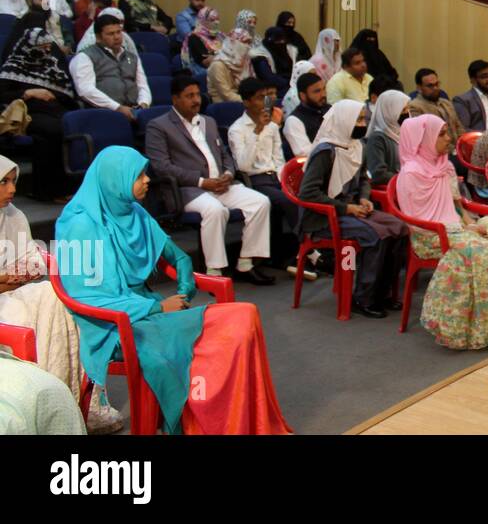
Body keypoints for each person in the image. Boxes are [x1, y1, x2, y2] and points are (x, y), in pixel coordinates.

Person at [54, 146, 291, 434]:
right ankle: (199, 424)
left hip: (147, 311)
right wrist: (157, 307)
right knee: (221, 334)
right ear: (114, 179)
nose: (147, 180)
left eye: (145, 173)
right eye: (138, 175)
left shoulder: (134, 212)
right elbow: (86, 298)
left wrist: (185, 285)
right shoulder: (80, 226)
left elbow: (178, 257)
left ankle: (239, 421)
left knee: (245, 316)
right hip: (114, 326)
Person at [396, 115, 488, 348]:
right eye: (441, 133)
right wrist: (463, 229)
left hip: (455, 227)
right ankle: (479, 327)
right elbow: (418, 221)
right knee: (487, 253)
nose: (448, 138)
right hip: (431, 236)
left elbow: (457, 206)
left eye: (446, 132)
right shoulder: (411, 173)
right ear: (423, 139)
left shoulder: (444, 165)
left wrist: (468, 222)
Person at [0, 154, 122, 432]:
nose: (12, 189)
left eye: (13, 181)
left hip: (14, 292)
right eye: (4, 182)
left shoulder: (14, 215)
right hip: (7, 298)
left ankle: (75, 401)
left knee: (57, 298)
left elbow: (33, 260)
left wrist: (9, 278)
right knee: (43, 300)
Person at [144, 75, 274, 284]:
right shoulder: (158, 126)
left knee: (260, 202)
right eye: (189, 96)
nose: (196, 100)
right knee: (215, 210)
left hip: (221, 184)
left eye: (197, 94)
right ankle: (214, 272)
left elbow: (225, 155)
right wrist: (202, 182)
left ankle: (246, 263)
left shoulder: (209, 122)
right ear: (175, 99)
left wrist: (228, 174)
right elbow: (161, 167)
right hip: (188, 190)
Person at [297, 100, 408, 318]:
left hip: (353, 208)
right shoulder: (325, 152)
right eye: (358, 120)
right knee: (376, 235)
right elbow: (308, 193)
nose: (363, 124)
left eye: (364, 119)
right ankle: (363, 297)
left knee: (400, 228)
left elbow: (364, 178)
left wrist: (365, 198)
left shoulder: (357, 146)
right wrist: (346, 208)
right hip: (324, 217)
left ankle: (381, 292)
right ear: (344, 121)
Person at [228, 78, 301, 271]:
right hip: (254, 180)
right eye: (260, 98)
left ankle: (299, 252)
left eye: (267, 97)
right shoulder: (237, 129)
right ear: (247, 102)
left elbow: (278, 158)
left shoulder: (271, 126)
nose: (266, 103)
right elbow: (243, 165)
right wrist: (258, 130)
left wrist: (284, 180)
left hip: (275, 177)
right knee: (288, 201)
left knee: (299, 195)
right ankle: (308, 251)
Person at [0, 29, 78, 201]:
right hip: (28, 113)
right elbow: (3, 96)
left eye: (48, 47)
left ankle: (73, 187)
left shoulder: (53, 68)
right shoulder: (12, 67)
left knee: (74, 125)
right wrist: (29, 92)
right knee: (52, 130)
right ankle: (51, 191)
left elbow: (69, 96)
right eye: (41, 47)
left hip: (57, 111)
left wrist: (51, 94)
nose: (46, 51)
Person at [69, 12, 151, 120]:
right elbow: (85, 90)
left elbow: (142, 85)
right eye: (111, 34)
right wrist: (117, 107)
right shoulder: (84, 57)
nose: (117, 37)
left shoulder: (132, 57)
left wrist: (143, 104)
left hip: (136, 110)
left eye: (118, 32)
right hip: (106, 113)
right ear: (98, 37)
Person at [365, 89, 410, 186]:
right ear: (390, 112)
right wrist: (407, 178)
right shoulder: (377, 138)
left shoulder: (402, 133)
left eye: (407, 109)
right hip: (390, 190)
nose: (407, 113)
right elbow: (379, 175)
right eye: (403, 110)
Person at [283, 70, 329, 158]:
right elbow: (304, 152)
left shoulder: (330, 109)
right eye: (317, 91)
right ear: (303, 96)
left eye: (324, 89)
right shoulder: (294, 121)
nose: (323, 94)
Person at [454, 59, 488, 132]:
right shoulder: (463, 101)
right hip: (480, 141)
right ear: (473, 80)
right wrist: (487, 138)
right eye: (484, 76)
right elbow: (463, 130)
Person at [206, 29, 253, 103]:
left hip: (244, 100)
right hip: (223, 104)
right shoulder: (218, 65)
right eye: (244, 42)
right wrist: (250, 101)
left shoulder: (244, 61)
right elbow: (226, 95)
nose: (247, 46)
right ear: (233, 43)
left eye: (249, 43)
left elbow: (252, 85)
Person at [250, 26, 293, 98]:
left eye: (283, 40)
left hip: (289, 85)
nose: (281, 43)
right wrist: (289, 82)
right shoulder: (260, 56)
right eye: (278, 41)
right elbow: (269, 77)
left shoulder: (289, 51)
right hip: (270, 90)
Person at [182, 6, 224, 78]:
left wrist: (216, 56)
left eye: (217, 19)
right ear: (203, 20)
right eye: (212, 20)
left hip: (223, 71)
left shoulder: (221, 35)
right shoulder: (194, 37)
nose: (216, 22)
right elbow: (207, 62)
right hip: (205, 75)